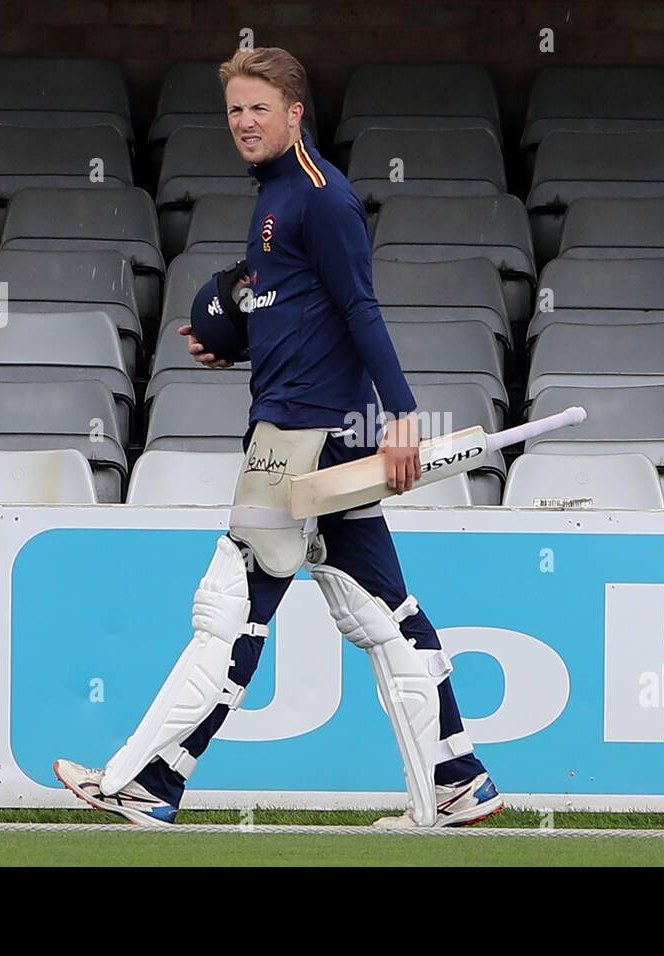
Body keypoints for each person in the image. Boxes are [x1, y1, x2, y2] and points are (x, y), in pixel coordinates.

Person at [54, 47, 502, 829]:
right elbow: (299, 314)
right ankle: (457, 781)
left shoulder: (322, 199)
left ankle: (143, 781)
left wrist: (401, 419)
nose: (243, 122)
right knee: (384, 614)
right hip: (304, 432)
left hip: (301, 441)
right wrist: (233, 339)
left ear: (296, 112)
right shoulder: (276, 199)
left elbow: (361, 309)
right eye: (234, 110)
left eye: (259, 107)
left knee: (228, 610)